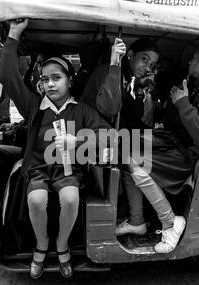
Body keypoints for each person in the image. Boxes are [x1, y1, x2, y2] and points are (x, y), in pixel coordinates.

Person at [0, 19, 111, 279]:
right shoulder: (33, 106)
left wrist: (77, 142)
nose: (50, 84)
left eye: (56, 78)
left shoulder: (81, 110)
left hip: (68, 171)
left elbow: (110, 135)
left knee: (70, 198)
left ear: (69, 81)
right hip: (38, 169)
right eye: (45, 79)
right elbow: (7, 76)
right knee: (36, 199)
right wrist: (14, 33)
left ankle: (62, 244)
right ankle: (41, 243)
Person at [124, 41, 199, 253]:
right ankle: (137, 221)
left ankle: (170, 222)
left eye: (194, 57)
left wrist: (182, 103)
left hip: (186, 155)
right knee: (123, 148)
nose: (190, 61)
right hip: (172, 143)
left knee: (132, 159)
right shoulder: (193, 85)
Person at [81, 37, 160, 237]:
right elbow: (109, 108)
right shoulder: (108, 71)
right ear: (130, 55)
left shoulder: (130, 79)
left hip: (111, 135)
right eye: (144, 60)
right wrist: (115, 64)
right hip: (91, 136)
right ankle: (138, 219)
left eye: (152, 65)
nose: (147, 67)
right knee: (134, 158)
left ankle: (137, 218)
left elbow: (130, 115)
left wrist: (142, 91)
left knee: (142, 151)